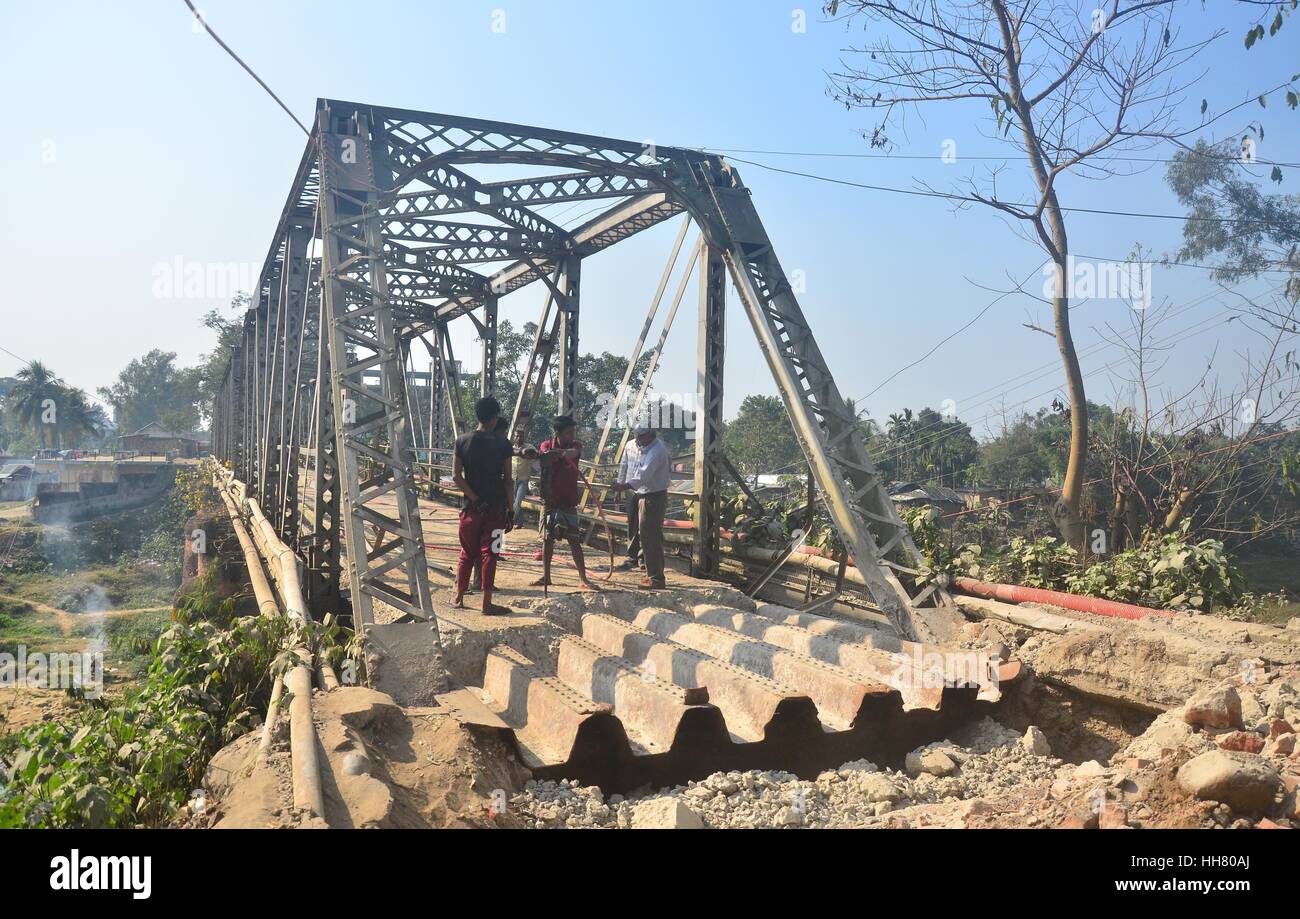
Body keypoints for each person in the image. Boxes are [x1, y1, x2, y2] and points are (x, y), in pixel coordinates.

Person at [452, 396, 514, 614]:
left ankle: (459, 597)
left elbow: (456, 476)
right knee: (492, 553)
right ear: (495, 418)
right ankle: (486, 603)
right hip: (496, 508)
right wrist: (511, 508)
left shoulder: (462, 441)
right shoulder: (504, 444)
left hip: (470, 508)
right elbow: (508, 480)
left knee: (467, 552)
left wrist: (475, 499)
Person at [534, 415, 600, 591]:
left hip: (568, 501)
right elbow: (544, 458)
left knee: (574, 541)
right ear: (558, 433)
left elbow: (574, 453)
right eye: (568, 432)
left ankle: (583, 578)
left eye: (573, 432)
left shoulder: (575, 446)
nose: (572, 435)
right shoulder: (546, 445)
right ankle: (546, 577)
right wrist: (549, 455)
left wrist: (561, 454)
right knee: (547, 540)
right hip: (550, 501)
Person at [613, 425, 670, 589]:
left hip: (652, 495)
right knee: (645, 535)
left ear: (651, 435)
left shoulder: (657, 451)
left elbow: (643, 475)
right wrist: (622, 484)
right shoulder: (637, 446)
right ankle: (651, 574)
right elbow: (625, 466)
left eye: (641, 436)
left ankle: (656, 578)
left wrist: (622, 487)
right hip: (641, 493)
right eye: (637, 436)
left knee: (651, 536)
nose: (638, 440)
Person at [511, 425, 539, 520]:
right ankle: (518, 521)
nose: (519, 438)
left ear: (524, 437)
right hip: (512, 479)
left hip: (523, 479)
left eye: (521, 436)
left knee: (517, 501)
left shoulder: (530, 447)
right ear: (514, 437)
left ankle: (516, 521)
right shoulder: (511, 449)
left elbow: (536, 456)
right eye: (517, 436)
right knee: (513, 501)